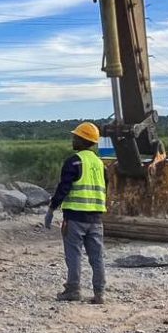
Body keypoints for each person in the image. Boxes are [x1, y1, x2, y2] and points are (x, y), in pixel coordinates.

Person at [45, 122, 107, 304]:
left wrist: (51, 209)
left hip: (75, 218)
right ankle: (99, 293)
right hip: (96, 219)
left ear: (82, 140)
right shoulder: (100, 164)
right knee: (97, 257)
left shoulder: (74, 161)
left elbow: (63, 188)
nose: (73, 139)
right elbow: (105, 189)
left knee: (74, 255)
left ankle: (73, 290)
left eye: (75, 137)